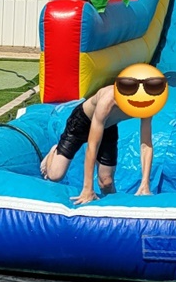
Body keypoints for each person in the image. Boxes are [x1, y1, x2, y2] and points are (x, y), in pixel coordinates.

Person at [40, 63, 166, 205]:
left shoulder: (147, 103)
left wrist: (145, 184)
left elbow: (146, 145)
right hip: (81, 123)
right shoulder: (109, 100)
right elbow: (92, 146)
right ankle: (54, 152)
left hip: (108, 126)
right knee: (55, 175)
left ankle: (117, 211)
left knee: (106, 183)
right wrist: (87, 189)